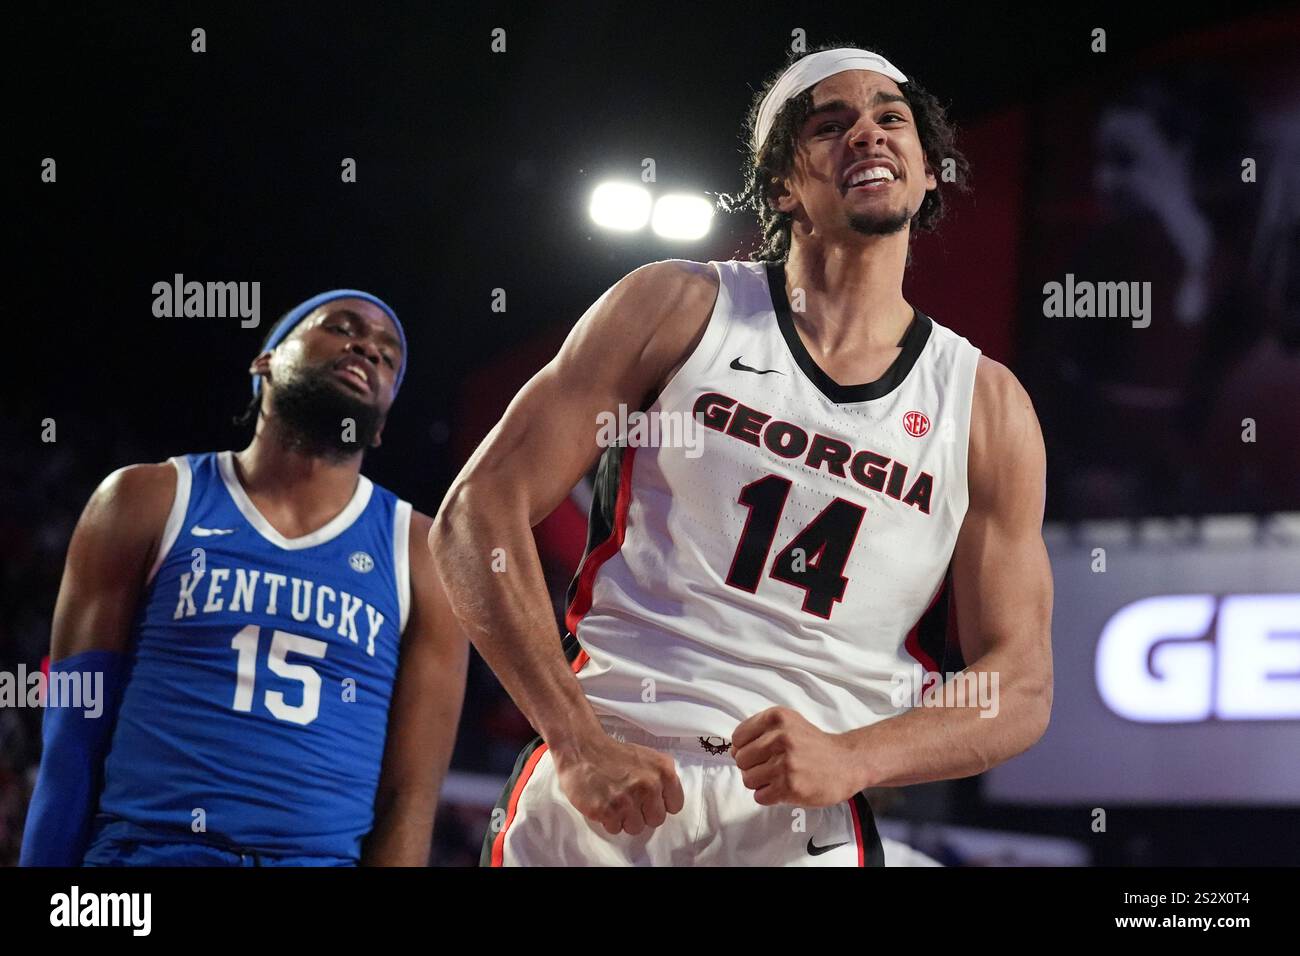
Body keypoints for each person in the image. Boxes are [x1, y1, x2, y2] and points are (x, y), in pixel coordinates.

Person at [432, 45, 1053, 866]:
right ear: (783, 186)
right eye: (831, 125)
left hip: (803, 817)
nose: (867, 134)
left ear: (930, 170)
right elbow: (476, 513)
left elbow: (1020, 685)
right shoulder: (679, 307)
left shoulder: (985, 404)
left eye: (891, 118)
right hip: (610, 776)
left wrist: (858, 756)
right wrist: (575, 741)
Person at [21, 290, 467, 866]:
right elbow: (72, 734)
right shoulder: (146, 499)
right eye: (342, 327)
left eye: (388, 356)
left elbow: (410, 799)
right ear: (265, 361)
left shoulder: (424, 554)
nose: (367, 349)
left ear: (380, 428)